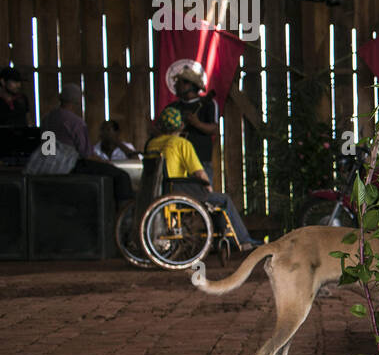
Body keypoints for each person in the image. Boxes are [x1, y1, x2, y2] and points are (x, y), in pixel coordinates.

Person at [146, 106, 257, 250]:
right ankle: (242, 241)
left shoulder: (151, 144)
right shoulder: (180, 143)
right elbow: (199, 173)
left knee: (212, 200)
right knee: (222, 200)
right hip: (177, 190)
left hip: (157, 192)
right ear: (180, 126)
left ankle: (224, 240)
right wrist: (207, 188)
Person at [44, 83, 133, 206]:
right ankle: (124, 216)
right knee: (121, 176)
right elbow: (86, 154)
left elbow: (46, 149)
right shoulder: (75, 122)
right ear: (77, 102)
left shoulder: (47, 119)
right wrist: (105, 162)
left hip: (46, 164)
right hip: (71, 166)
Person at [164, 67, 220, 180]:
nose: (175, 86)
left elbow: (214, 129)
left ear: (188, 85)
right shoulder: (172, 108)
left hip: (201, 161)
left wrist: (197, 123)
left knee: (202, 195)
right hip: (176, 162)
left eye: (178, 82)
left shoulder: (208, 104)